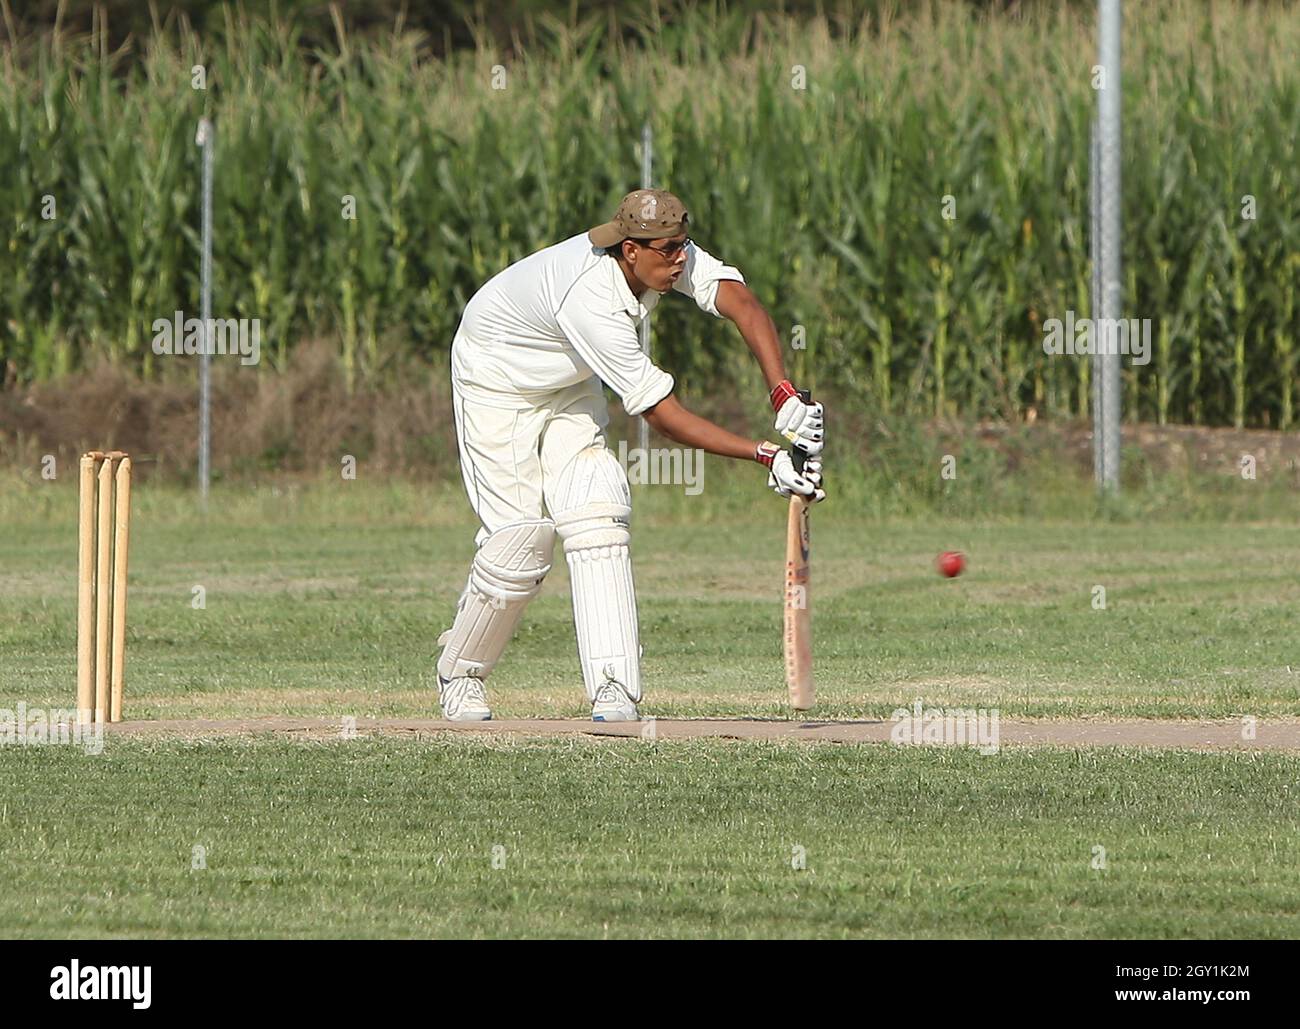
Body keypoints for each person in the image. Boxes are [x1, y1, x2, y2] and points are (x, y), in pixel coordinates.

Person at [436, 188, 825, 722]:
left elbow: (739, 299)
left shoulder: (664, 256)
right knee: (520, 546)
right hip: (495, 381)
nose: (680, 259)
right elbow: (663, 415)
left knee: (597, 502)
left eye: (683, 246)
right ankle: (460, 674)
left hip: (564, 379)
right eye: (668, 250)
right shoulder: (590, 298)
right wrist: (765, 455)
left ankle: (613, 688)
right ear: (630, 251)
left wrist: (781, 389)